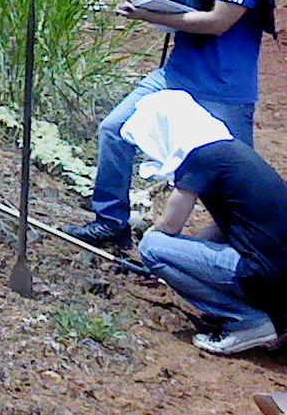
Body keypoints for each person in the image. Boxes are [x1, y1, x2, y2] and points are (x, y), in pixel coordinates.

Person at [64, 0, 276, 249]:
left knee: (235, 177)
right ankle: (110, 221)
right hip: (177, 74)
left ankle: (243, 249)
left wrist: (149, 14)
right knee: (115, 130)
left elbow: (216, 22)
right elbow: (170, 2)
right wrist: (144, 2)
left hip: (225, 90)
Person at [121, 90, 287, 354]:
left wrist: (164, 263)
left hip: (264, 272)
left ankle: (247, 321)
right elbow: (228, 227)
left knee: (152, 246)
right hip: (279, 273)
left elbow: (168, 227)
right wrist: (188, 261)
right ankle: (275, 320)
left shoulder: (200, 156)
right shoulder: (228, 150)